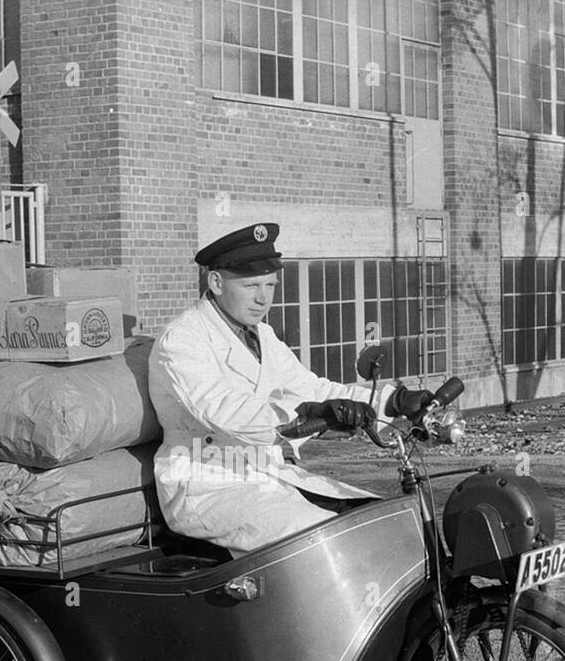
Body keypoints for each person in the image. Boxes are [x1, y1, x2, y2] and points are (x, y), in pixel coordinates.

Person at [147, 223, 429, 556]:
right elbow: (224, 410)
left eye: (270, 285)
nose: (263, 298)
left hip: (265, 473)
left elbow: (310, 388)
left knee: (381, 519)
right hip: (207, 483)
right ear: (216, 282)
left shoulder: (260, 336)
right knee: (325, 544)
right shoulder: (182, 340)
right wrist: (302, 416)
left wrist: (391, 402)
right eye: (251, 285)